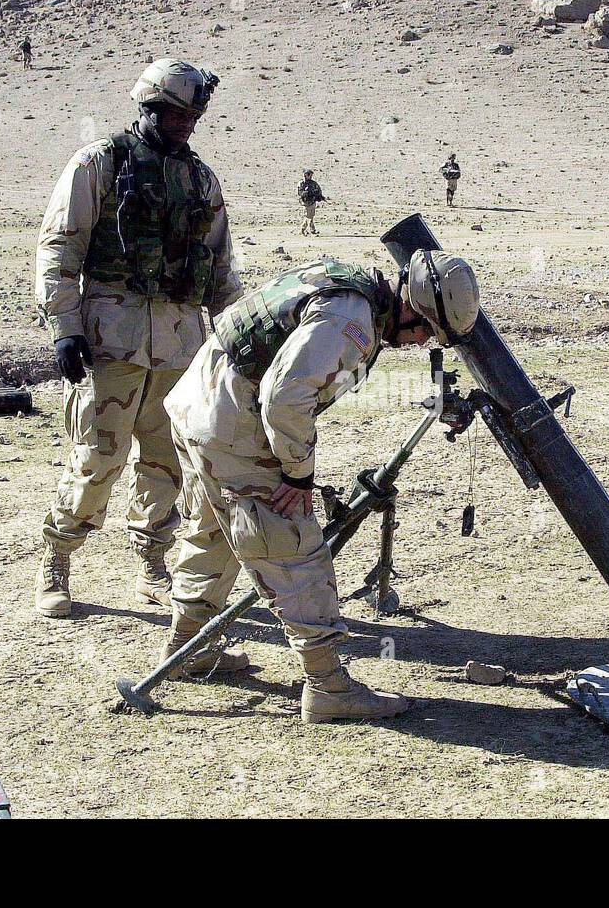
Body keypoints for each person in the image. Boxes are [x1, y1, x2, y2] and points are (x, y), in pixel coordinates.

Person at [161, 249, 480, 722]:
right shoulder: (350, 321)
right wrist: (296, 473)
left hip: (201, 403)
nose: (418, 344)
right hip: (233, 421)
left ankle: (188, 647)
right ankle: (328, 686)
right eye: (426, 332)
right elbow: (286, 399)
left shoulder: (348, 284)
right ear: (413, 308)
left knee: (215, 532)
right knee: (291, 545)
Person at [34, 60, 243, 621]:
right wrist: (64, 327)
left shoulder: (202, 180)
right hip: (110, 340)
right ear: (149, 108)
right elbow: (60, 247)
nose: (187, 125)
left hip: (180, 347)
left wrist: (236, 344)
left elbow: (221, 270)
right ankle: (56, 559)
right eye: (177, 114)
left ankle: (153, 562)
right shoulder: (101, 163)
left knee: (167, 465)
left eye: (193, 116)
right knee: (96, 459)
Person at [297, 169, 326, 235]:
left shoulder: (313, 183)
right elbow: (300, 193)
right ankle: (302, 229)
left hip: (312, 201)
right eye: (309, 175)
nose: (310, 176)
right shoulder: (301, 183)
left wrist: (320, 196)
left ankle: (312, 229)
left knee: (311, 216)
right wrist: (307, 193)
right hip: (305, 202)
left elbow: (318, 190)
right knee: (308, 216)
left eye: (311, 175)